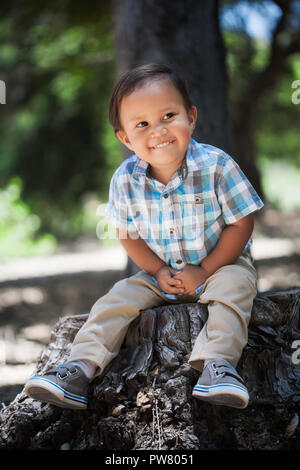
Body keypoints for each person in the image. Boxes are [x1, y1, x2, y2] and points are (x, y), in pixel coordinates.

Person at [25, 63, 264, 410]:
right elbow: (128, 235)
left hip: (221, 264)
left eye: (169, 115)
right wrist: (155, 270)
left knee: (235, 290)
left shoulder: (217, 165)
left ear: (191, 117)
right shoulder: (125, 180)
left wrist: (207, 269)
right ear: (125, 137)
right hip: (161, 274)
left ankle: (218, 365)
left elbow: (242, 224)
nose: (159, 130)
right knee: (118, 297)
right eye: (142, 124)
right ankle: (79, 367)